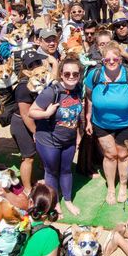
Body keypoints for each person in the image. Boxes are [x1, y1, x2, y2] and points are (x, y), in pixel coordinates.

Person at [85, 43, 128, 205]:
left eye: (115, 59)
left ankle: (123, 186)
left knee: (123, 155)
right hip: (101, 123)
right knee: (110, 155)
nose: (111, 62)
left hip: (127, 123)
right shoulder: (94, 75)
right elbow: (89, 98)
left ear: (120, 59)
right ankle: (111, 188)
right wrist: (88, 119)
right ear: (102, 60)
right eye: (107, 59)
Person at [30, 56, 85, 215]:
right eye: (67, 74)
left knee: (66, 170)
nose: (71, 77)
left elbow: (76, 115)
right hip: (49, 140)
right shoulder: (51, 91)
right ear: (61, 74)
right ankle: (54, 203)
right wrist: (46, 113)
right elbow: (31, 111)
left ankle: (67, 200)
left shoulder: (78, 89)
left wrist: (79, 134)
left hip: (69, 139)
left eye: (75, 74)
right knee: (52, 171)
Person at [10, 51, 45, 190]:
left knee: (41, 150)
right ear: (26, 69)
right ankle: (27, 188)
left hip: (33, 121)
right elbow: (25, 114)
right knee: (28, 157)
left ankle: (42, 175)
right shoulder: (23, 87)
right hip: (22, 123)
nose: (36, 66)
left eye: (38, 62)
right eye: (31, 65)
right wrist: (35, 132)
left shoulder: (43, 80)